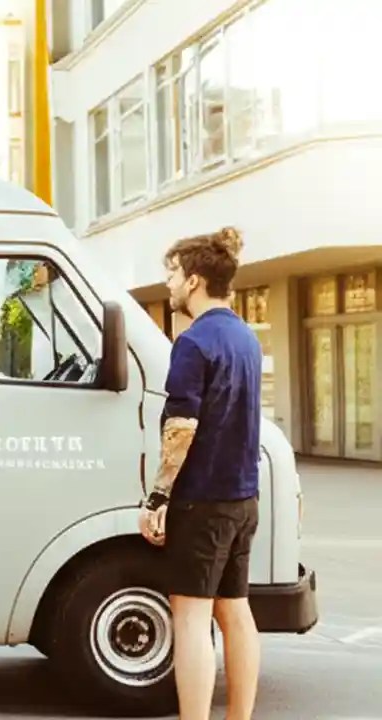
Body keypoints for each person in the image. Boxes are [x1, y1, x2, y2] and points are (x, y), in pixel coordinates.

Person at [138, 226, 263, 720]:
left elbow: (181, 427)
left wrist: (157, 497)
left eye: (172, 274)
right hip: (243, 499)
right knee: (235, 610)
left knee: (190, 617)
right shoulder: (246, 337)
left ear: (193, 280)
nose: (167, 284)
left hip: (203, 500)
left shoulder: (193, 343)